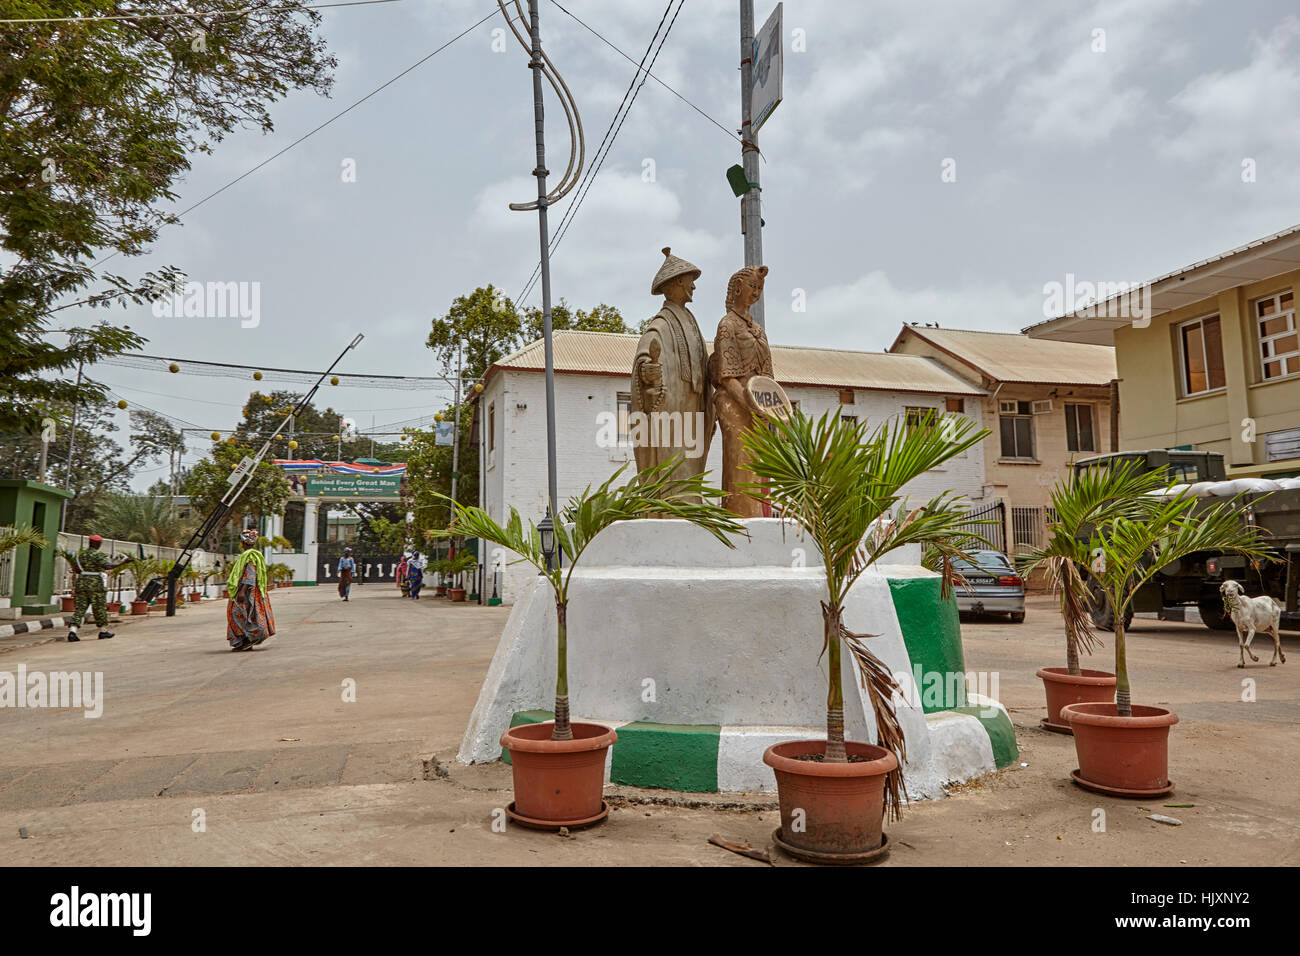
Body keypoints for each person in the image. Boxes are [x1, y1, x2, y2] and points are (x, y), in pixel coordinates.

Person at [631, 248, 714, 496]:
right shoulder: (660, 324)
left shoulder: (690, 321)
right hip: (670, 414)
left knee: (692, 472)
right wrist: (648, 370)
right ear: (677, 282)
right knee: (670, 472)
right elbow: (645, 356)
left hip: (694, 410)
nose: (694, 287)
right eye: (690, 281)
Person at [712, 264, 773, 517]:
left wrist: (767, 410)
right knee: (741, 462)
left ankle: (758, 519)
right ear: (737, 289)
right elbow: (727, 377)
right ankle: (738, 519)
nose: (756, 293)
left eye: (760, 289)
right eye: (752, 287)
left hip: (757, 406)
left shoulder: (758, 330)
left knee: (759, 468)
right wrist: (750, 405)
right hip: (734, 401)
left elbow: (768, 379)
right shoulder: (728, 325)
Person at [67, 534, 131, 642]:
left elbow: (76, 569)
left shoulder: (81, 556)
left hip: (82, 583)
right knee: (99, 608)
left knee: (80, 609)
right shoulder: (98, 555)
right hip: (96, 584)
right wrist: (123, 562)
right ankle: (103, 631)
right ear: (98, 544)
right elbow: (108, 566)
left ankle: (72, 632)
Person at [226, 529, 276, 651]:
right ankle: (244, 641)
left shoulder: (250, 556)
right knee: (244, 615)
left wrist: (242, 591)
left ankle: (247, 640)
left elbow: (250, 574)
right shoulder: (251, 555)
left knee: (240, 614)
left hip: (249, 592)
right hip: (249, 590)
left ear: (243, 543)